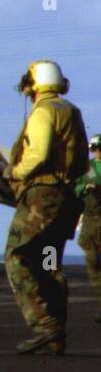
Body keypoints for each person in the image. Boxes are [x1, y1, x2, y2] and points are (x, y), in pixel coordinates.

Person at [2, 60, 88, 356]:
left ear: (35, 84)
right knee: (50, 264)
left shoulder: (43, 112)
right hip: (67, 198)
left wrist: (14, 172)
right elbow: (83, 160)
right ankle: (56, 334)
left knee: (17, 256)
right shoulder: (71, 111)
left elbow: (38, 152)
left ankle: (44, 325)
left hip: (42, 196)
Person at [72, 133, 101, 324]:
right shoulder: (87, 168)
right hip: (91, 221)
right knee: (93, 264)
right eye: (95, 148)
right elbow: (76, 188)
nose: (97, 152)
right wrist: (85, 187)